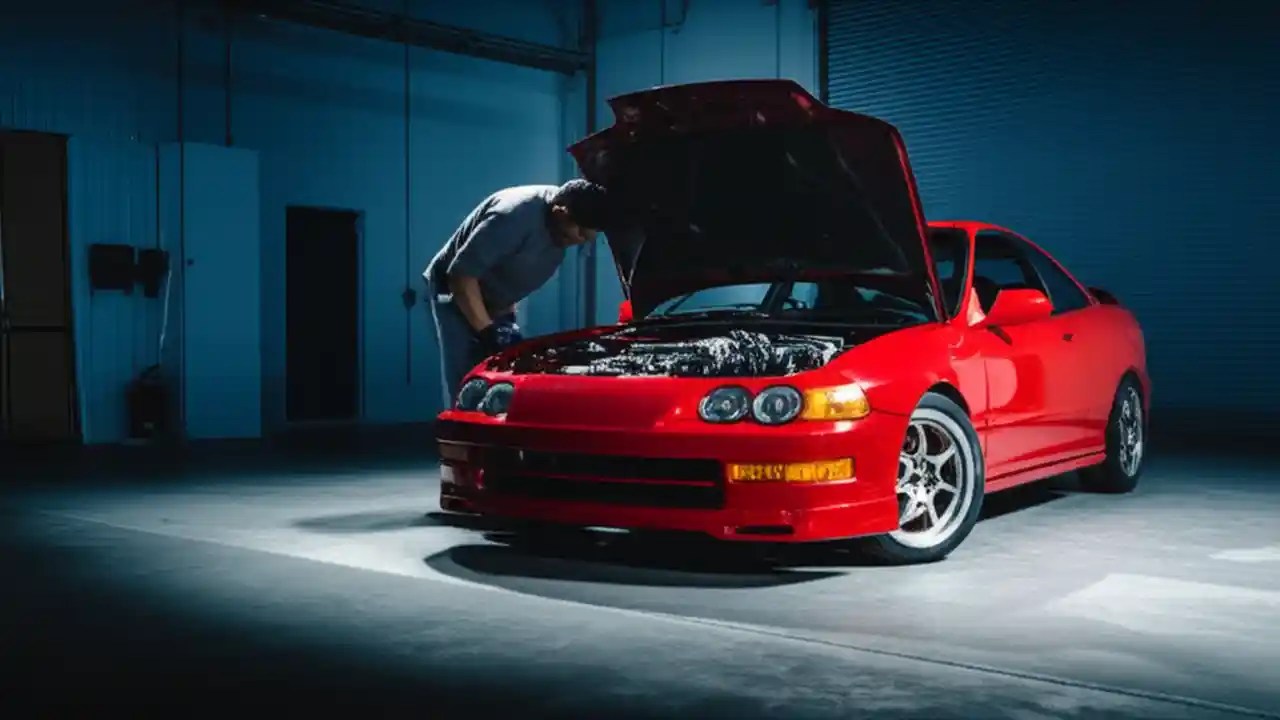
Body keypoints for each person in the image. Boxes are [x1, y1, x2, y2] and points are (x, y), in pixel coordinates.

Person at [423, 180, 610, 408]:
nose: (580, 241)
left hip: (498, 300)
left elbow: (512, 271)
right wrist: (486, 332)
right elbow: (461, 276)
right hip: (457, 293)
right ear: (559, 212)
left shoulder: (564, 222)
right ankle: (461, 424)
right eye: (579, 233)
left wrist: (505, 323)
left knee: (507, 370)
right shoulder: (512, 216)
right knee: (467, 379)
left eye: (588, 236)